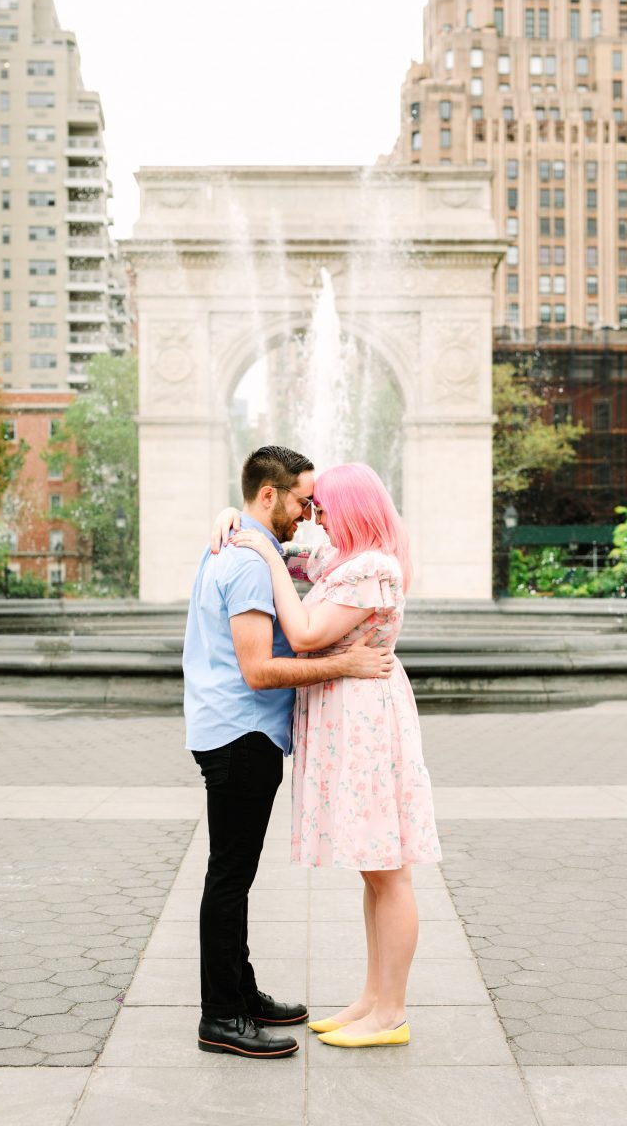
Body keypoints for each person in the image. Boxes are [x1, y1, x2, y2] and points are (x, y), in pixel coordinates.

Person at [184, 446, 394, 1060]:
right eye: (302, 500)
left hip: (232, 731)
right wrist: (346, 663)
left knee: (235, 875)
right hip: (240, 733)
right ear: (269, 496)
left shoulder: (244, 544)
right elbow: (257, 669)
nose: (308, 514)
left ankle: (241, 995)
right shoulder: (249, 562)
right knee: (229, 877)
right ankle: (221, 1016)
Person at [228, 461, 442, 1049]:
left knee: (388, 871)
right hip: (353, 715)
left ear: (347, 510)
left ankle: (390, 1012)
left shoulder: (371, 567)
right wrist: (236, 518)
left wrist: (269, 559)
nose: (313, 516)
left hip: (365, 720)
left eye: (322, 507)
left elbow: (303, 636)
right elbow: (283, 545)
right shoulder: (349, 562)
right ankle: (373, 999)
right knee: (374, 871)